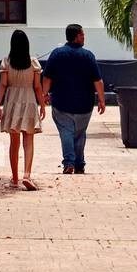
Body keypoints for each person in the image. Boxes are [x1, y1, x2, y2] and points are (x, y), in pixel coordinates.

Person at [42, 23, 105, 175]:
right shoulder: (88, 55)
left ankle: (70, 162)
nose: (84, 37)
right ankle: (79, 163)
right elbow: (98, 80)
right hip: (84, 104)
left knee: (66, 132)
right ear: (76, 37)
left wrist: (44, 94)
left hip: (61, 102)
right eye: (82, 35)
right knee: (79, 133)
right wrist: (101, 100)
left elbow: (47, 77)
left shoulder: (57, 54)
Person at [0, 29, 46, 190]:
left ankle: (15, 178)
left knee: (14, 142)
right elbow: (37, 87)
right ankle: (27, 175)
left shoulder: (7, 62)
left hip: (12, 101)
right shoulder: (33, 63)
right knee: (29, 140)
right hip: (29, 100)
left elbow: (3, 84)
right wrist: (42, 103)